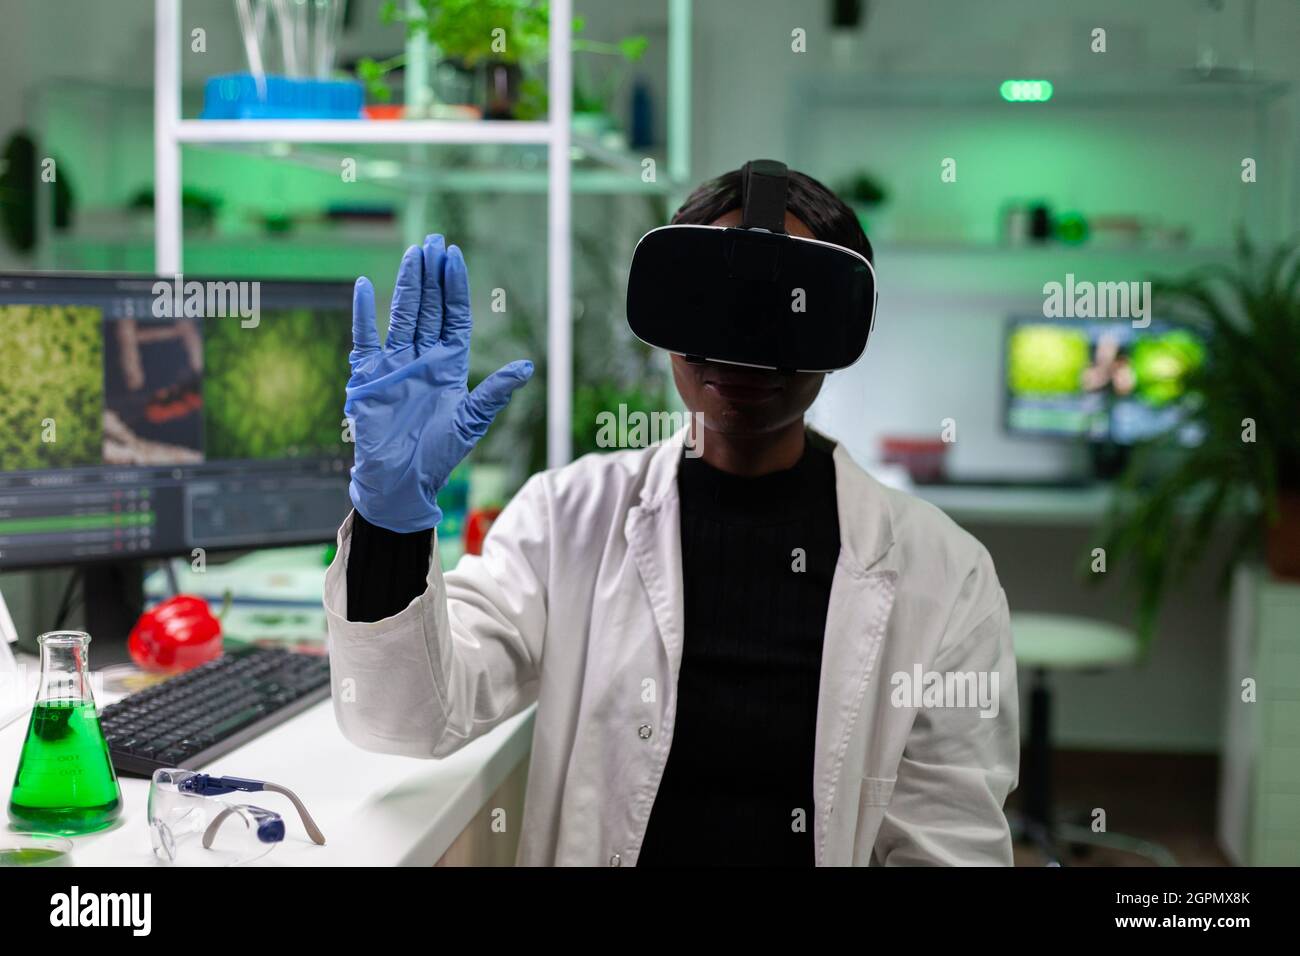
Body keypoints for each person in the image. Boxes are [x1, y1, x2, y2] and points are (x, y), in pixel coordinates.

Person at [325, 167, 1019, 867]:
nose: (743, 344)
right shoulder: (567, 519)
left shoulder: (945, 575)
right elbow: (406, 719)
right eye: (715, 300)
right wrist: (392, 520)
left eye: (788, 305)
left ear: (837, 327)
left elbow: (949, 848)